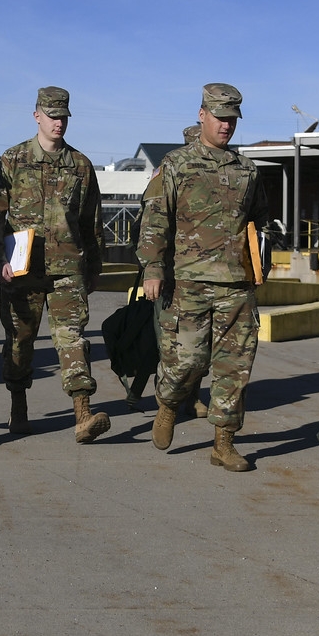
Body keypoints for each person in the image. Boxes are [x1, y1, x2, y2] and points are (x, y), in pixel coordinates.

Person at [138, 83, 271, 472]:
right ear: (202, 115)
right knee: (187, 361)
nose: (226, 125)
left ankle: (223, 444)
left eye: (232, 119)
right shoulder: (176, 164)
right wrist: (152, 268)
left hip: (237, 283)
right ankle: (166, 403)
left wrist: (264, 258)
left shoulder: (247, 169)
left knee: (236, 365)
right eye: (219, 117)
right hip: (188, 282)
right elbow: (155, 219)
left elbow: (260, 221)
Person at [0, 86, 111, 443]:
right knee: (20, 341)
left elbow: (91, 221)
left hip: (67, 268)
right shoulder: (13, 159)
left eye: (64, 117)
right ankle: (18, 404)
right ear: (37, 115)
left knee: (73, 339)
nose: (59, 123)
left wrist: (94, 267)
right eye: (52, 116)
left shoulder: (81, 165)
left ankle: (82, 412)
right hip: (21, 269)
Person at [138, 123, 210, 419]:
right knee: (169, 339)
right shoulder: (167, 172)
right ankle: (166, 397)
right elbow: (149, 221)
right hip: (171, 273)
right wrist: (151, 267)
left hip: (201, 271)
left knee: (200, 343)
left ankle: (191, 395)